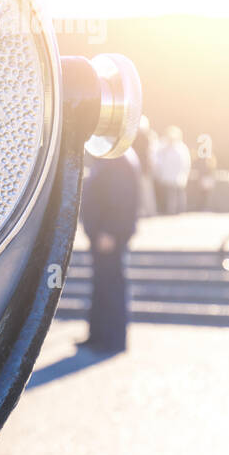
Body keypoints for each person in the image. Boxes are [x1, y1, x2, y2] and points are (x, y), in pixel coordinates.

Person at [80, 149, 141, 354]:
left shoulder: (120, 159)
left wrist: (110, 231)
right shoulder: (111, 157)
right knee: (101, 285)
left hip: (109, 236)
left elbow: (122, 200)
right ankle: (98, 335)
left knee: (112, 285)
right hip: (100, 235)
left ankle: (113, 340)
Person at [152, 126, 191, 215]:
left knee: (177, 194)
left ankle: (177, 210)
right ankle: (172, 210)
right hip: (171, 176)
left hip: (176, 176)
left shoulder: (180, 148)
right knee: (172, 194)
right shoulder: (167, 148)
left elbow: (184, 163)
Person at [131, 115, 157, 216]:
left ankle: (147, 211)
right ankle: (147, 211)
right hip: (143, 167)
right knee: (146, 191)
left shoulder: (143, 137)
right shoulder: (148, 137)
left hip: (142, 168)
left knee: (145, 191)